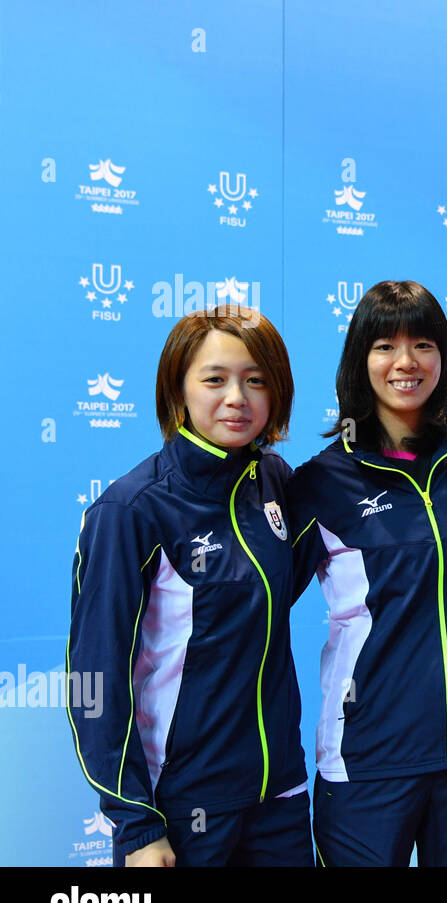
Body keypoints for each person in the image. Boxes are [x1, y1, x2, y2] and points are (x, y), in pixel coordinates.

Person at [68, 305, 310, 867]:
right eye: (215, 379)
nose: (237, 397)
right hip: (181, 811)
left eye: (256, 380)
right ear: (178, 390)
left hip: (280, 800)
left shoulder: (273, 482)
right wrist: (133, 822)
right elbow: (92, 677)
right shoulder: (132, 511)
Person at [289, 280, 447, 866]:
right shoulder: (320, 483)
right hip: (368, 758)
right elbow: (254, 604)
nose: (406, 362)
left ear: (444, 356)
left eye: (423, 344)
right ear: (360, 360)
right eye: (385, 345)